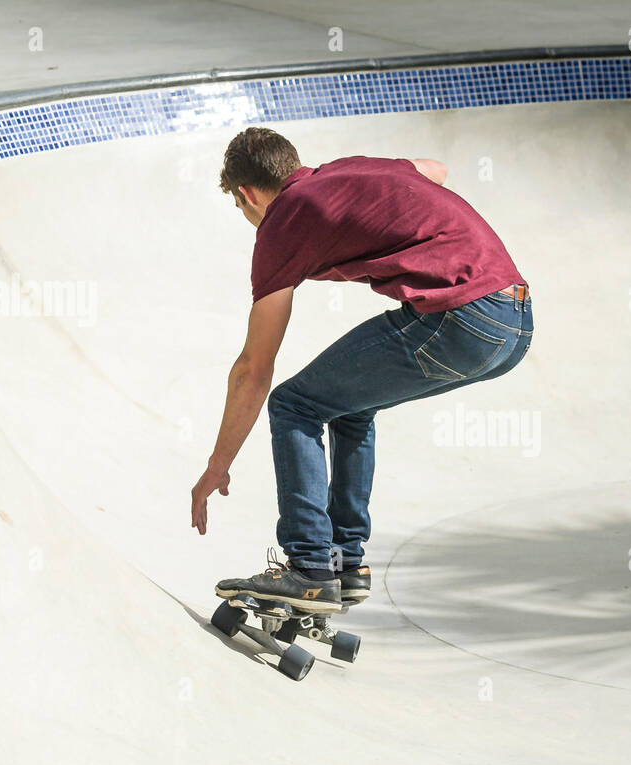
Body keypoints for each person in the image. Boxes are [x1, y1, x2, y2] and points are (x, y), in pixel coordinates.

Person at [191, 128, 533, 613]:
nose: (251, 223)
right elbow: (436, 168)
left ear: (247, 194)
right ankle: (345, 562)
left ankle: (308, 569)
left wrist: (217, 464)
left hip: (461, 316)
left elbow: (254, 367)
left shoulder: (281, 221)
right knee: (350, 406)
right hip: (513, 322)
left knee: (295, 404)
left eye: (243, 211)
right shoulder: (349, 172)